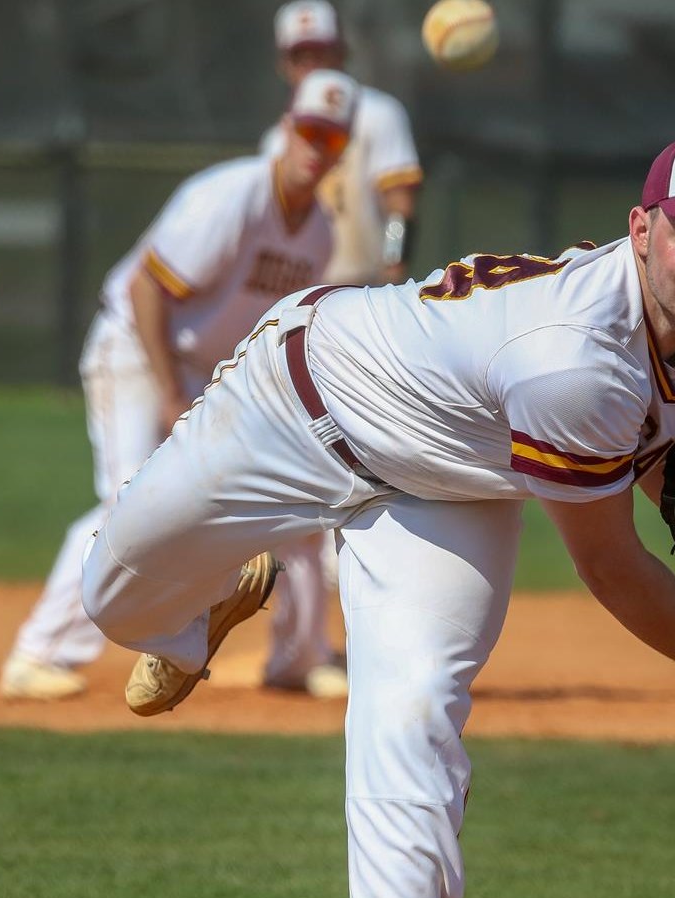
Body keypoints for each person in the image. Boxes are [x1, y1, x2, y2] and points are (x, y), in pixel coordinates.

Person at [79, 130, 675, 898]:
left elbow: (651, 472)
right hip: (296, 404)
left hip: (445, 489)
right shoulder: (573, 363)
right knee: (112, 603)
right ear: (640, 228)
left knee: (409, 714)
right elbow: (612, 570)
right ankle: (211, 601)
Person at [0, 70, 357, 703]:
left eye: (329, 138)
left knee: (290, 498)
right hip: (135, 351)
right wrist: (168, 391)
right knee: (128, 503)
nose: (313, 148)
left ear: (342, 150)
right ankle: (39, 653)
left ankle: (299, 658)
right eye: (307, 131)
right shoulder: (231, 198)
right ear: (285, 128)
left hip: (213, 376)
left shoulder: (319, 232)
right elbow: (146, 289)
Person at [252, 0, 428, 698]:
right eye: (300, 54)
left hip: (362, 303)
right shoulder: (278, 136)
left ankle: (362, 639)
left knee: (374, 473)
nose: (312, 61)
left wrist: (393, 274)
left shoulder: (377, 113)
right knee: (311, 478)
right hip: (300, 316)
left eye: (321, 48)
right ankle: (306, 644)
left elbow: (402, 197)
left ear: (341, 50)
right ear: (283, 63)